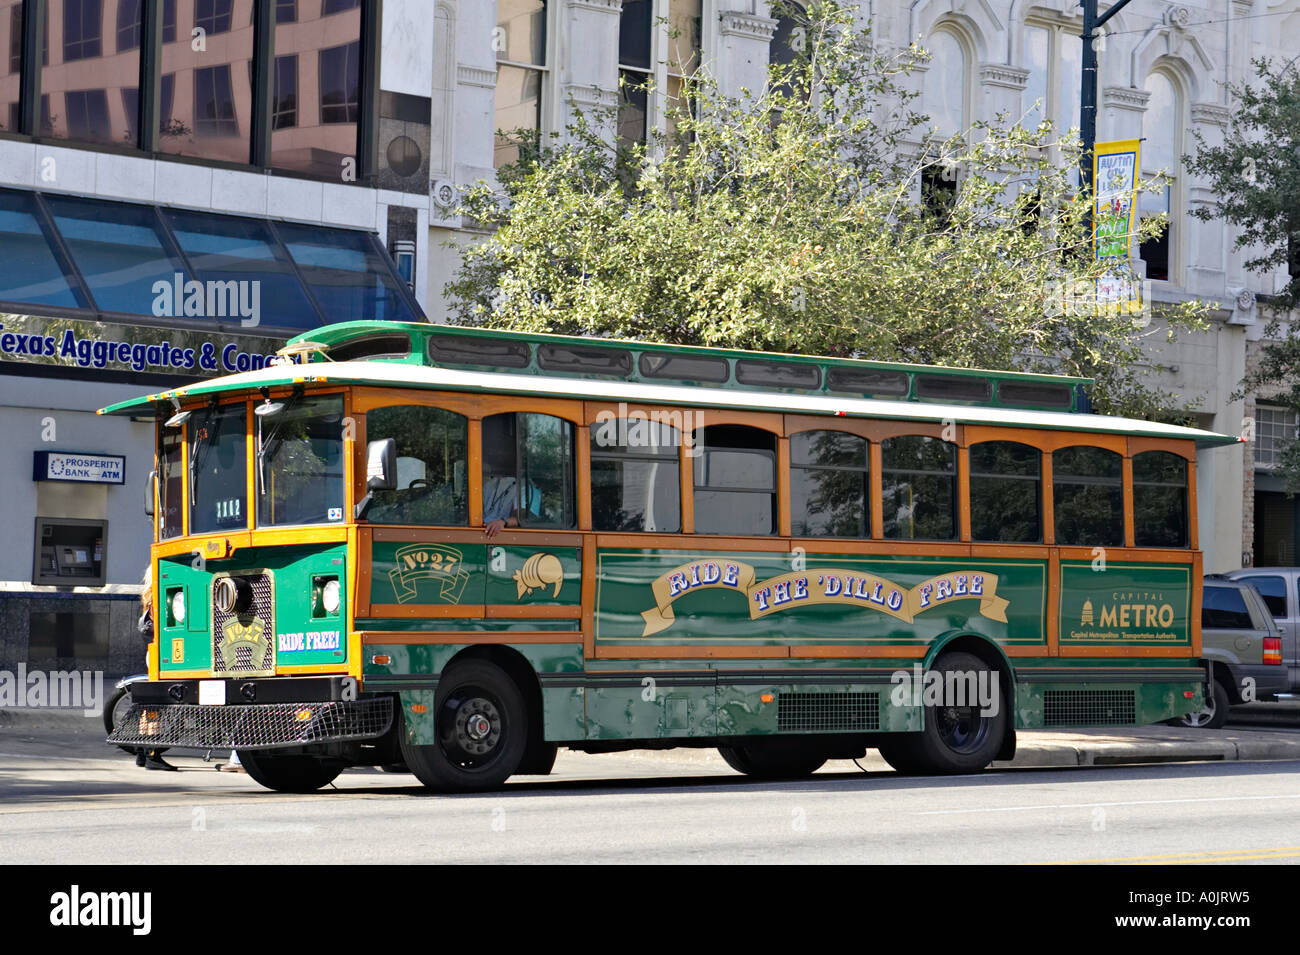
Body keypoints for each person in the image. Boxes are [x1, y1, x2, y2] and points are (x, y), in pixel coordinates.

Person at [136, 567, 176, 771]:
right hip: (160, 653)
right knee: (157, 705)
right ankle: (153, 755)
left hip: (152, 652)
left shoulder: (149, 596)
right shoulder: (160, 596)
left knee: (151, 704)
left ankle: (142, 753)